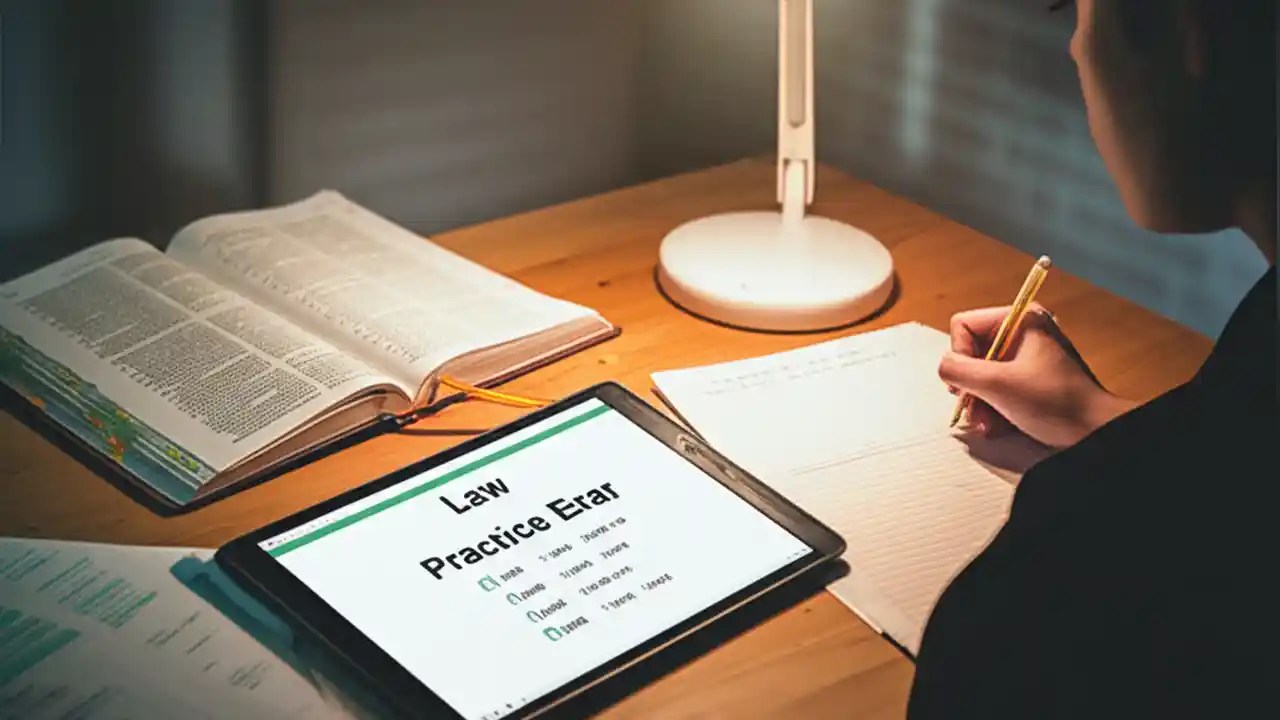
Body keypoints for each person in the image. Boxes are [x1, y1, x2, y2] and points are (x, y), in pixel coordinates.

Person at [908, 1, 1277, 717]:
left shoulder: (1078, 579)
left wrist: (1119, 465)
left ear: (1184, 27)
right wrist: (1099, 416)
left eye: (1078, 10)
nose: (1078, 50)